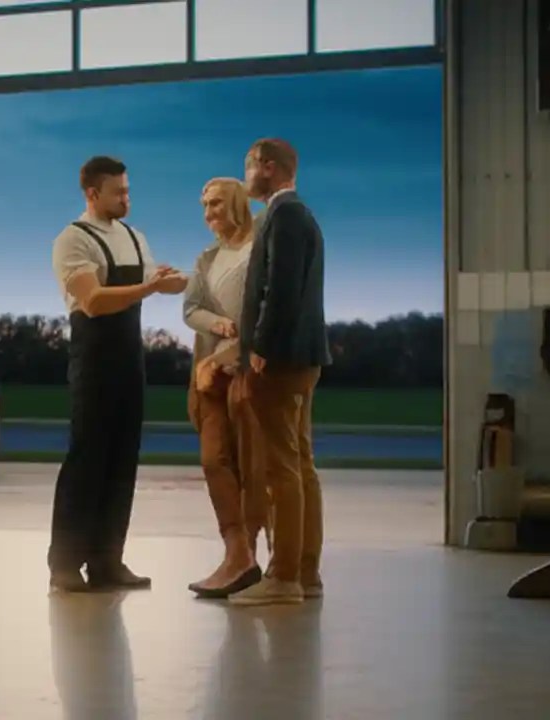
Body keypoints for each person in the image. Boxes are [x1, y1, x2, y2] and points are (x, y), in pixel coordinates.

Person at [48, 155, 188, 593]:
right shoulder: (73, 240)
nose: (127, 198)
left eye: (128, 190)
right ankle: (66, 565)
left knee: (123, 460)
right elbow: (93, 301)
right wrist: (148, 288)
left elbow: (152, 279)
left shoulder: (134, 237)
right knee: (87, 459)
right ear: (92, 194)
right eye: (119, 192)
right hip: (93, 359)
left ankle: (108, 562)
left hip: (130, 358)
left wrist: (179, 280)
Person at [229, 138, 332, 607]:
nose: (245, 176)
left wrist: (261, 349)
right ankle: (306, 573)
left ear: (266, 167)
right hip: (301, 357)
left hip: (280, 359)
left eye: (248, 167)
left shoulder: (284, 215)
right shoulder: (299, 215)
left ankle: (284, 576)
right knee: (301, 464)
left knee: (281, 468)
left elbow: (280, 289)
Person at [181, 177, 269, 599]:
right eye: (204, 206)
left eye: (215, 203)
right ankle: (236, 552)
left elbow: (262, 314)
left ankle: (252, 555)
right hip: (209, 375)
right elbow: (190, 308)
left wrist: (225, 354)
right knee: (214, 459)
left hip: (248, 370)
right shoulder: (207, 257)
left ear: (236, 202)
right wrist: (215, 325)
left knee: (254, 466)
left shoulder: (260, 251)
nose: (208, 213)